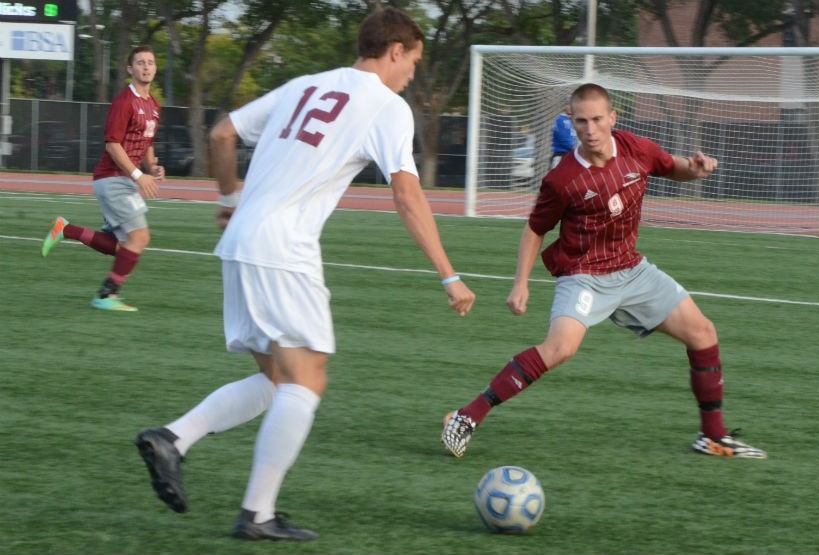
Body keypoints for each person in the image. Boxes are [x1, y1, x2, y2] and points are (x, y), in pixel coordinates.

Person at [134, 7, 476, 542]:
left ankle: (173, 439)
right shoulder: (387, 106)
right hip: (283, 249)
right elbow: (407, 195)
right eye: (413, 60)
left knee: (277, 381)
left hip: (241, 241)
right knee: (308, 379)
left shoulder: (306, 85)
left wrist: (228, 199)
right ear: (394, 51)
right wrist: (448, 274)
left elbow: (222, 134)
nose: (412, 72)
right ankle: (258, 515)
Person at [441, 83, 766, 460]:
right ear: (571, 121)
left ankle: (713, 436)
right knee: (560, 348)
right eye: (581, 121)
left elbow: (670, 167)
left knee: (703, 332)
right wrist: (520, 284)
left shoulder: (636, 149)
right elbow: (535, 229)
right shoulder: (561, 179)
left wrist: (694, 171)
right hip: (584, 274)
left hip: (632, 269)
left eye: (597, 119)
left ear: (612, 118)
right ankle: (466, 417)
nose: (590, 129)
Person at [40, 45, 164, 312]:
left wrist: (152, 168)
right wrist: (138, 175)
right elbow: (113, 145)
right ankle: (106, 295)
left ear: (155, 68)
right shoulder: (124, 101)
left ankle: (65, 229)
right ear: (130, 69)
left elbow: (146, 143)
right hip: (113, 178)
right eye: (140, 62)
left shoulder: (154, 106)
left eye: (150, 62)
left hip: (125, 179)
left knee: (124, 247)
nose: (146, 67)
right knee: (140, 238)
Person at [549, 101, 576, 169]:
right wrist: (578, 151)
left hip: (571, 156)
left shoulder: (573, 120)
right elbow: (563, 140)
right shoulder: (560, 120)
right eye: (569, 104)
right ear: (566, 106)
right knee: (557, 178)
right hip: (561, 156)